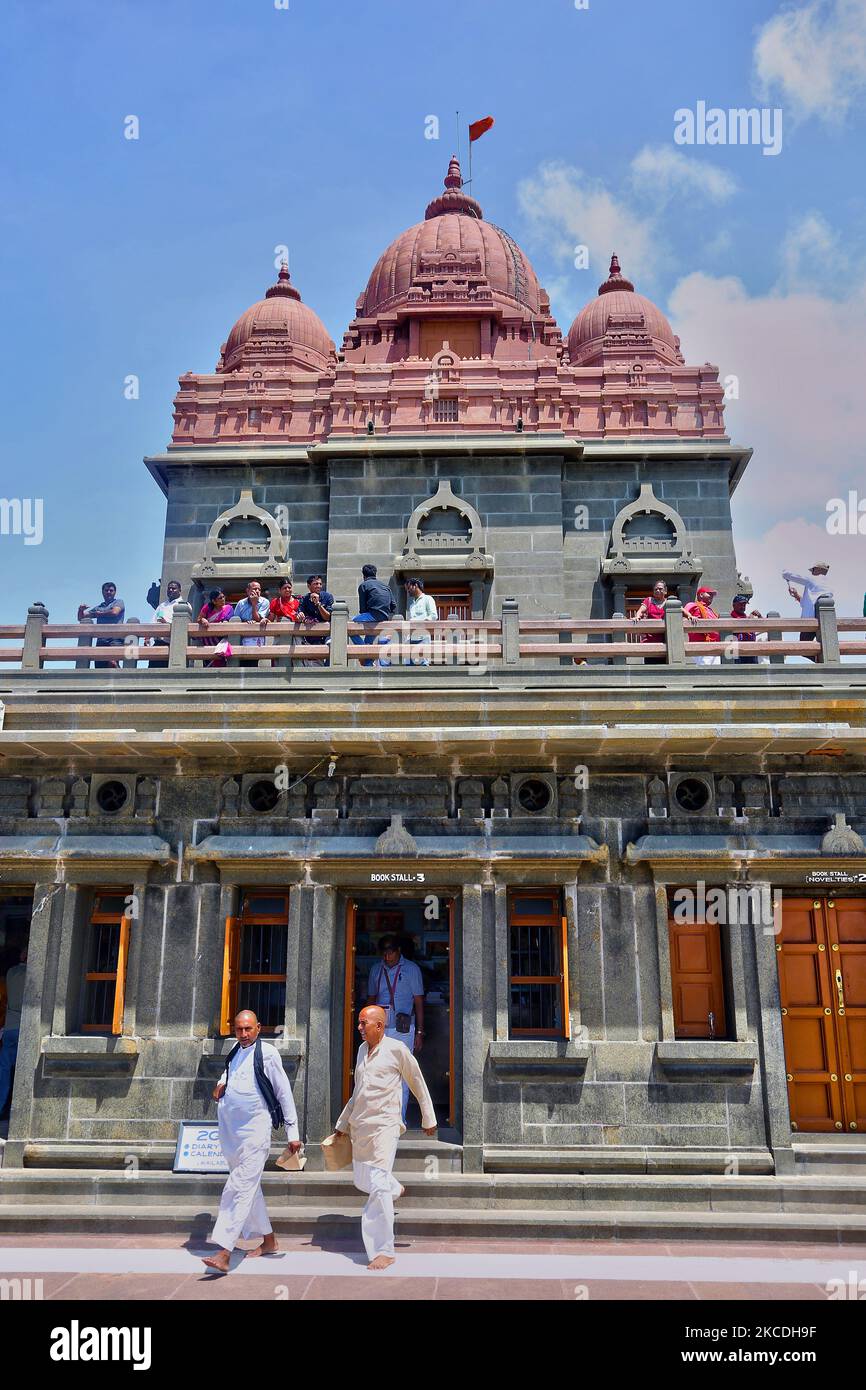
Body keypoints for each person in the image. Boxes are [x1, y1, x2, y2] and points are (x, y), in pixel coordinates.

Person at [334, 1005, 436, 1271]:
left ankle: (383, 1250)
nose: (359, 1027)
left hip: (386, 1126)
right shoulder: (360, 1051)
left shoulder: (396, 1049)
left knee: (377, 1187)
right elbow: (358, 1093)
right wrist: (342, 1124)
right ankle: (394, 1188)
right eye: (359, 1023)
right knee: (362, 1180)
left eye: (363, 1023)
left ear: (379, 1026)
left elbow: (417, 1081)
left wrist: (428, 1118)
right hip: (362, 1126)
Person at [202, 1009, 301, 1274]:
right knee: (249, 1188)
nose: (244, 1035)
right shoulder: (234, 1051)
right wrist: (219, 1087)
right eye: (239, 1030)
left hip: (256, 1131)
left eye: (248, 1029)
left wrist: (293, 1134)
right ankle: (269, 1241)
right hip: (231, 1132)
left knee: (237, 1187)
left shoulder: (268, 1054)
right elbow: (230, 1077)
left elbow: (284, 1093)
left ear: (259, 1028)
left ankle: (224, 1250)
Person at [367, 935, 426, 1123]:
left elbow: (418, 1001)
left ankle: (399, 1118)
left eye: (390, 951)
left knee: (403, 1072)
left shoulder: (411, 969)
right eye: (384, 952)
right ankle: (381, 1116)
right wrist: (366, 1028)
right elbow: (371, 998)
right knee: (379, 1070)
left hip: (403, 1028)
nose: (387, 956)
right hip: (380, 1028)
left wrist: (419, 1032)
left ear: (398, 950)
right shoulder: (376, 970)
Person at [783, 562, 833, 661]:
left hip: (810, 621)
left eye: (813, 570)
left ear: (819, 570)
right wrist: (797, 596)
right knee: (824, 649)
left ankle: (820, 662)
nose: (812, 573)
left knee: (803, 648)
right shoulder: (826, 584)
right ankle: (822, 662)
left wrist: (785, 573)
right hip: (824, 620)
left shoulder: (815, 579)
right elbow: (808, 603)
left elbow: (795, 576)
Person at [0, 946, 27, 1118]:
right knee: (22, 1070)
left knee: (4, 1071)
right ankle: (18, 1112)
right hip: (24, 1028)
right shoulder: (32, 975)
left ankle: (0, 1106)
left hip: (9, 1027)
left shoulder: (10, 973)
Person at [353, 564, 395, 668]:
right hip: (385, 616)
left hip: (372, 615)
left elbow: (362, 609)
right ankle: (368, 663)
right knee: (369, 639)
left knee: (350, 625)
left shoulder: (364, 585)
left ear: (364, 575)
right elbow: (393, 605)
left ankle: (364, 649)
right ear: (375, 573)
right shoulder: (386, 586)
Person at [78, 581, 125, 669]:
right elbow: (81, 617)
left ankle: (119, 679)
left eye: (111, 590)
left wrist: (99, 614)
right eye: (106, 590)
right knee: (100, 667)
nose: (108, 592)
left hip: (115, 638)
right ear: (102, 592)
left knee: (112, 663)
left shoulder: (118, 602)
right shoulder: (99, 607)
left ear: (115, 592)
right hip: (101, 640)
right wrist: (80, 609)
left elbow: (115, 612)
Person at [298, 575, 334, 666]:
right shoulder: (304, 599)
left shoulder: (327, 597)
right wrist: (303, 617)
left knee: (332, 647)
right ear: (309, 586)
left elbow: (327, 617)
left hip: (326, 634)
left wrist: (318, 604)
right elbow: (300, 614)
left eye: (320, 584)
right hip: (311, 636)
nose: (319, 586)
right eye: (315, 584)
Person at [146, 579, 182, 667]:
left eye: (174, 589)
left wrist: (166, 624)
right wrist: (147, 637)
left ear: (179, 591)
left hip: (172, 644)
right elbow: (154, 621)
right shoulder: (162, 606)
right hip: (157, 642)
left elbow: (182, 627)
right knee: (152, 671)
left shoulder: (183, 604)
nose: (170, 590)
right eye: (169, 588)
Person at [632, 580, 668, 664]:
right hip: (651, 640)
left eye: (660, 589)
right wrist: (637, 616)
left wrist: (689, 616)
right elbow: (640, 611)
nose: (658, 591)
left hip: (666, 640)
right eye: (656, 589)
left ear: (665, 591)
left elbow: (682, 610)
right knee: (651, 665)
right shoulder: (649, 601)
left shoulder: (669, 603)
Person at [404, 577, 438, 666]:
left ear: (415, 586)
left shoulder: (427, 599)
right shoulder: (412, 605)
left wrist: (420, 623)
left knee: (423, 664)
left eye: (409, 588)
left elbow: (433, 616)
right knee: (409, 664)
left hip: (423, 637)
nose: (408, 591)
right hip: (411, 637)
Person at [683, 587, 721, 666]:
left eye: (712, 595)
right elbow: (682, 610)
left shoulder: (710, 610)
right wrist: (690, 616)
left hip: (714, 646)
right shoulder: (693, 604)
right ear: (701, 595)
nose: (711, 596)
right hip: (701, 646)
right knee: (708, 671)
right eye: (709, 594)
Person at [233, 580, 270, 660]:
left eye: (259, 589)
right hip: (242, 637)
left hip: (257, 637)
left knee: (254, 661)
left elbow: (257, 619)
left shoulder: (265, 602)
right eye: (254, 589)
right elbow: (235, 620)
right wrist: (246, 623)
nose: (257, 591)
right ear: (248, 591)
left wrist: (254, 604)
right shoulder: (241, 603)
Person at [197, 589, 234, 667]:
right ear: (214, 601)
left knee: (221, 653)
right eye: (220, 598)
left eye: (223, 597)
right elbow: (199, 619)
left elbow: (227, 620)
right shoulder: (207, 607)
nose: (223, 599)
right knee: (209, 658)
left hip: (221, 637)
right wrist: (203, 620)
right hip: (208, 638)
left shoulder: (228, 608)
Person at [730, 593, 762, 664]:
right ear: (734, 605)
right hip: (737, 651)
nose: (743, 607)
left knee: (754, 672)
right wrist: (748, 621)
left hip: (751, 649)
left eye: (744, 605)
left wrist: (760, 616)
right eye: (740, 604)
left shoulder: (746, 617)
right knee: (738, 673)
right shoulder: (731, 617)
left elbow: (763, 627)